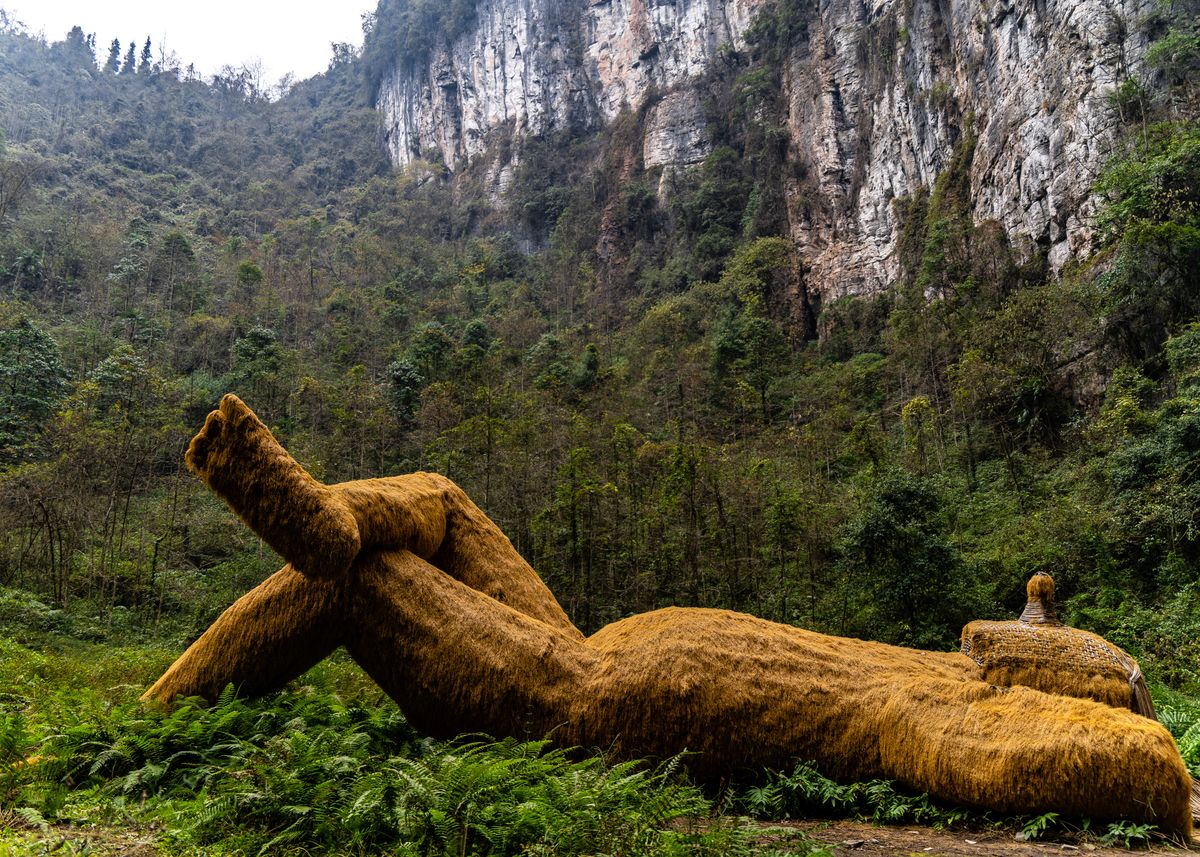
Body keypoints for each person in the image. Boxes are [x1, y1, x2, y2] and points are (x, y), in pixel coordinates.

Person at [144, 395, 1194, 837]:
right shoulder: (947, 656)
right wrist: (1039, 624)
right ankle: (329, 514)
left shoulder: (940, 703)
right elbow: (1032, 639)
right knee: (445, 496)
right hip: (590, 642)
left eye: (1021, 639)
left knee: (358, 581)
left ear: (1047, 678)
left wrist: (1157, 767)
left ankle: (146, 728)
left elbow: (1105, 759)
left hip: (591, 694)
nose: (1000, 629)